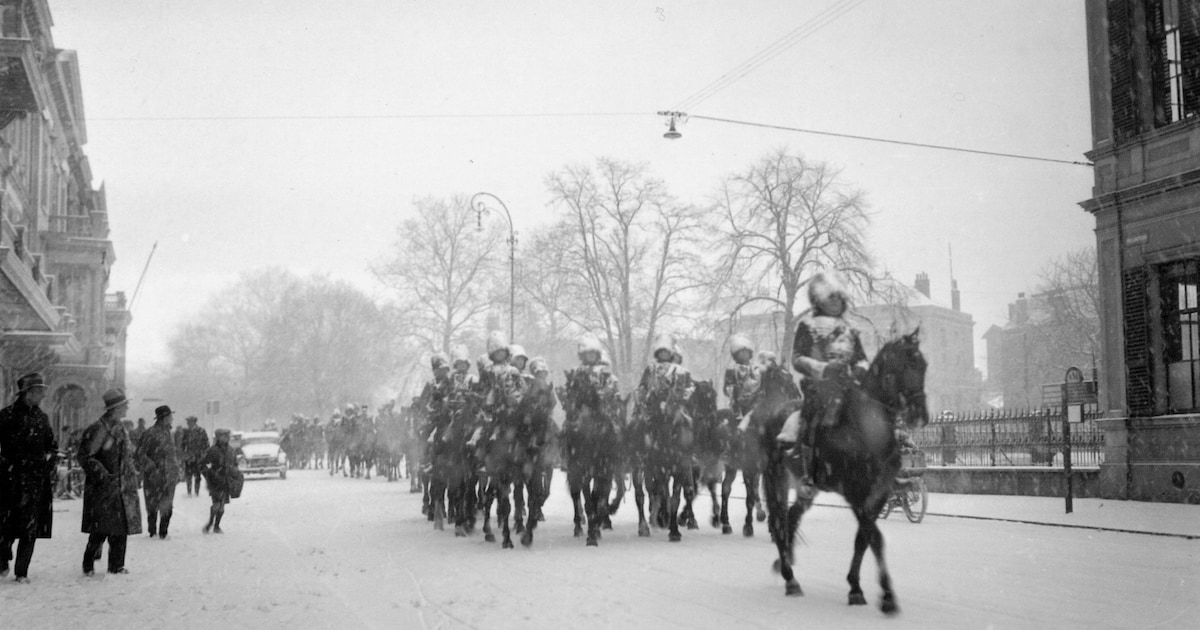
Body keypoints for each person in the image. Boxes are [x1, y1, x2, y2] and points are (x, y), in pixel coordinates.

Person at [778, 270, 870, 494]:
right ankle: (807, 469)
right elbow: (798, 359)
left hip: (848, 387)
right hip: (818, 388)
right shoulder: (807, 326)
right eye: (832, 297)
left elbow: (862, 359)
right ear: (819, 300)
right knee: (813, 420)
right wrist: (823, 369)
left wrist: (858, 370)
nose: (837, 302)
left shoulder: (850, 330)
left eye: (839, 297)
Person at [0, 373, 57, 583]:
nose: (42, 395)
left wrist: (50, 461)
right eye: (39, 391)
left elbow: (52, 445)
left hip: (35, 482)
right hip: (9, 481)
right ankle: (3, 557)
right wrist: (6, 465)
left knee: (29, 529)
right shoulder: (5, 417)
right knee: (5, 527)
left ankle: (22, 572)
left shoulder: (42, 418)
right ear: (28, 393)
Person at [79, 389, 142, 576]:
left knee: (120, 528)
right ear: (116, 408)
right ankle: (88, 563)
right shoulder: (99, 429)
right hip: (104, 488)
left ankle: (116, 565)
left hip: (120, 488)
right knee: (101, 529)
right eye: (125, 405)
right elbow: (86, 456)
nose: (127, 408)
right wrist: (104, 475)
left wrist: (130, 475)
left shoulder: (119, 427)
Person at [136, 405, 180, 539]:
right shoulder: (149, 433)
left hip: (169, 476)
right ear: (163, 418)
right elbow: (140, 454)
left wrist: (176, 470)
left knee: (167, 506)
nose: (172, 419)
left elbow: (172, 455)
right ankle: (152, 531)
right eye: (170, 417)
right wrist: (151, 468)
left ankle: (163, 531)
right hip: (154, 476)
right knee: (152, 505)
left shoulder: (169, 434)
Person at [201, 428, 239, 534]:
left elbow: (235, 463)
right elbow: (203, 464)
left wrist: (234, 474)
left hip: (226, 481)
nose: (227, 438)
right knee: (217, 503)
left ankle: (216, 525)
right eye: (225, 436)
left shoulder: (231, 450)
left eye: (228, 436)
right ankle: (211, 523)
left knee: (222, 505)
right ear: (218, 437)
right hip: (215, 481)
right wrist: (209, 475)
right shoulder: (213, 450)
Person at [723, 334, 762, 432]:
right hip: (738, 406)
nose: (744, 354)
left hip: (756, 403)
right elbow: (726, 388)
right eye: (741, 352)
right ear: (736, 355)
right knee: (731, 429)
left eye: (746, 352)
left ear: (750, 353)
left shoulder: (757, 369)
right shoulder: (731, 370)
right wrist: (732, 390)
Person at [179, 416, 209, 497]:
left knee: (197, 476)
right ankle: (189, 492)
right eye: (188, 422)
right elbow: (183, 444)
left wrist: (203, 454)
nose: (188, 424)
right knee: (188, 476)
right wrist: (184, 454)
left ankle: (196, 493)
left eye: (190, 422)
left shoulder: (201, 431)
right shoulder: (186, 432)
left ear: (194, 422)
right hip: (189, 458)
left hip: (198, 457)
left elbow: (206, 444)